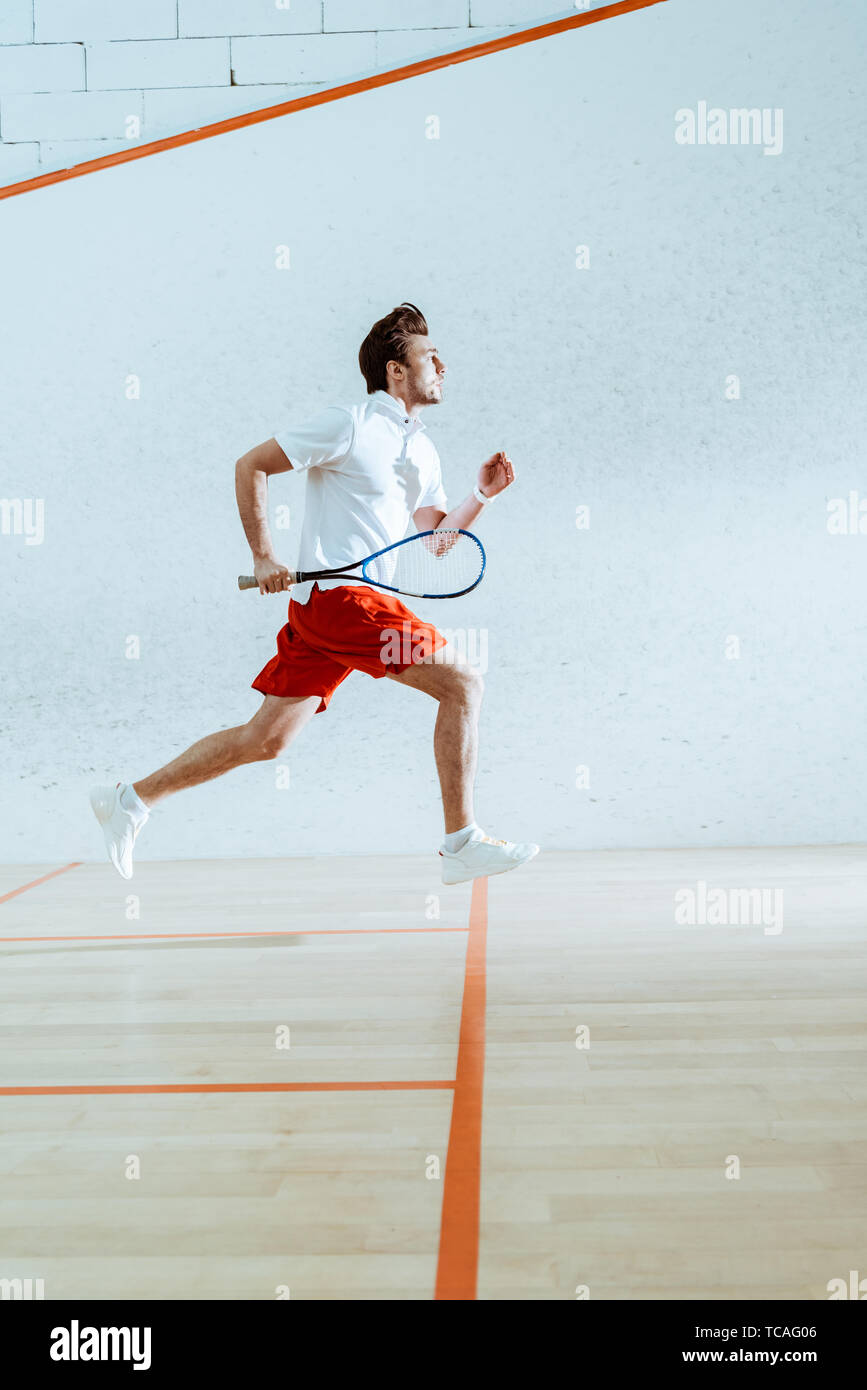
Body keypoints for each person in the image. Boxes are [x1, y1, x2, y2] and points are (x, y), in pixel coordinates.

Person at [90, 303, 539, 885]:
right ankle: (461, 841)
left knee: (266, 740)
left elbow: (436, 541)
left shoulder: (422, 450)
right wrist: (263, 554)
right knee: (463, 682)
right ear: (396, 371)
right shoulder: (349, 423)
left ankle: (129, 800)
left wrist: (481, 496)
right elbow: (251, 463)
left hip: (340, 613)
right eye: (430, 355)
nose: (442, 364)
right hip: (342, 604)